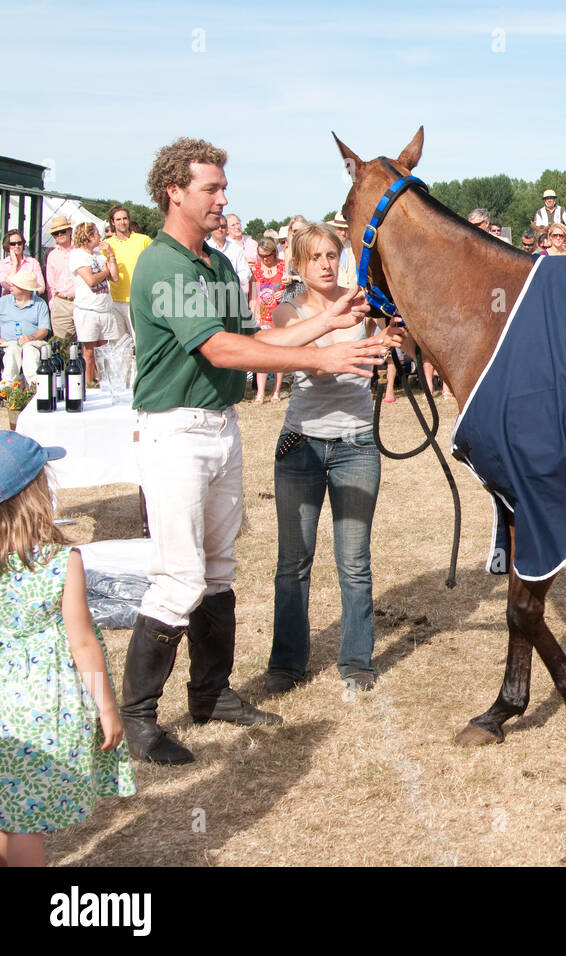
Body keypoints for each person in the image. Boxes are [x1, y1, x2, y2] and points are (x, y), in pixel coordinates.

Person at [121, 136, 388, 765]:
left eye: (222, 187)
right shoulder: (164, 265)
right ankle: (138, 719)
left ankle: (210, 695)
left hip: (219, 426)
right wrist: (322, 357)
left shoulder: (215, 265)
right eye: (210, 188)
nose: (222, 198)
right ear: (174, 193)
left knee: (217, 571)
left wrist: (328, 319)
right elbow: (221, 351)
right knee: (178, 578)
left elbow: (257, 337)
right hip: (175, 431)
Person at [265, 224, 406, 695]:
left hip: (356, 447)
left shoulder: (364, 303)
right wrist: (331, 352)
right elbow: (278, 357)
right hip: (301, 445)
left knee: (354, 561)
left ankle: (357, 661)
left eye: (332, 255)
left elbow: (399, 332)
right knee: (294, 561)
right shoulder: (287, 312)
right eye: (315, 257)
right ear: (299, 264)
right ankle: (286, 664)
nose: (325, 264)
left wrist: (391, 339)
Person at [0, 433, 135, 866]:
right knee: (23, 822)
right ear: (35, 495)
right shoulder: (60, 562)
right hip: (39, 702)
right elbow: (82, 641)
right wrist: (106, 707)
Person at [70, 222, 119, 387]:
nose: (100, 236)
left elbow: (115, 277)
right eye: (97, 233)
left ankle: (106, 383)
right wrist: (104, 272)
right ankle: (89, 384)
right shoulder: (77, 255)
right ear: (89, 236)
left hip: (105, 309)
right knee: (89, 352)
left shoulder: (99, 255)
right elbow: (91, 280)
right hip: (88, 310)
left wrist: (111, 255)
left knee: (106, 352)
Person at [104, 205, 152, 339]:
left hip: (138, 300)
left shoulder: (143, 240)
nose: (122, 222)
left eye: (125, 218)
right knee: (118, 346)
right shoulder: (107, 245)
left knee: (140, 341)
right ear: (112, 222)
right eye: (118, 219)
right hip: (114, 300)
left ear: (129, 220)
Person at [250, 236, 287, 403]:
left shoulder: (283, 267)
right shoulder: (255, 270)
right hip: (262, 317)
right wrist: (253, 312)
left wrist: (284, 293)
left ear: (274, 252)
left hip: (280, 316)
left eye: (268, 255)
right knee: (261, 355)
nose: (265, 259)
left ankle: (276, 391)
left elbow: (295, 290)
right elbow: (252, 295)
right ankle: (260, 392)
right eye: (261, 255)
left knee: (279, 354)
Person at [0, 270, 51, 384]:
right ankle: (7, 387)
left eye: (14, 285)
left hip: (32, 342)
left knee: (29, 350)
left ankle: (34, 386)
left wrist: (30, 338)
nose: (10, 286)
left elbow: (44, 330)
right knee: (12, 349)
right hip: (7, 343)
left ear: (24, 289)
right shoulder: (3, 302)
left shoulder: (40, 304)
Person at [42, 216, 78, 342]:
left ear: (70, 231)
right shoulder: (52, 255)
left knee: (88, 346)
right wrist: (53, 303)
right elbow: (50, 283)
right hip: (61, 303)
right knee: (63, 346)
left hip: (81, 301)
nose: (60, 235)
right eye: (56, 233)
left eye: (63, 231)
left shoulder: (80, 250)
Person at [0, 230, 45, 297]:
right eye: (13, 244)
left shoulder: (33, 263)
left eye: (19, 243)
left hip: (30, 300)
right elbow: (6, 285)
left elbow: (41, 287)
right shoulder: (3, 264)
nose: (17, 246)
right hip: (9, 302)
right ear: (7, 246)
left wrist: (21, 292)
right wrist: (14, 264)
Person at [331, 214, 357, 288]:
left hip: (355, 294)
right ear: (334, 229)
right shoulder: (326, 248)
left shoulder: (355, 247)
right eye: (340, 228)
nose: (343, 233)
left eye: (346, 229)